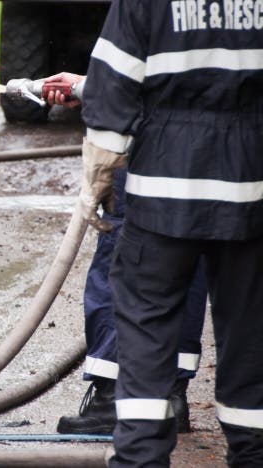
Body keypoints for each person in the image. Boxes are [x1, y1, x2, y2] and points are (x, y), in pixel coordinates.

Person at [59, 0, 263, 465]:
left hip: (162, 195)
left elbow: (113, 84)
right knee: (250, 334)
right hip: (252, 193)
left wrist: (97, 178)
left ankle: (141, 457)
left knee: (148, 328)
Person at [42, 72, 210, 435]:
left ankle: (113, 398)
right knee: (188, 258)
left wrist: (95, 89)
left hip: (153, 141)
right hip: (217, 147)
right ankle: (169, 397)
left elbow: (128, 67)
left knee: (124, 258)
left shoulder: (149, 11)